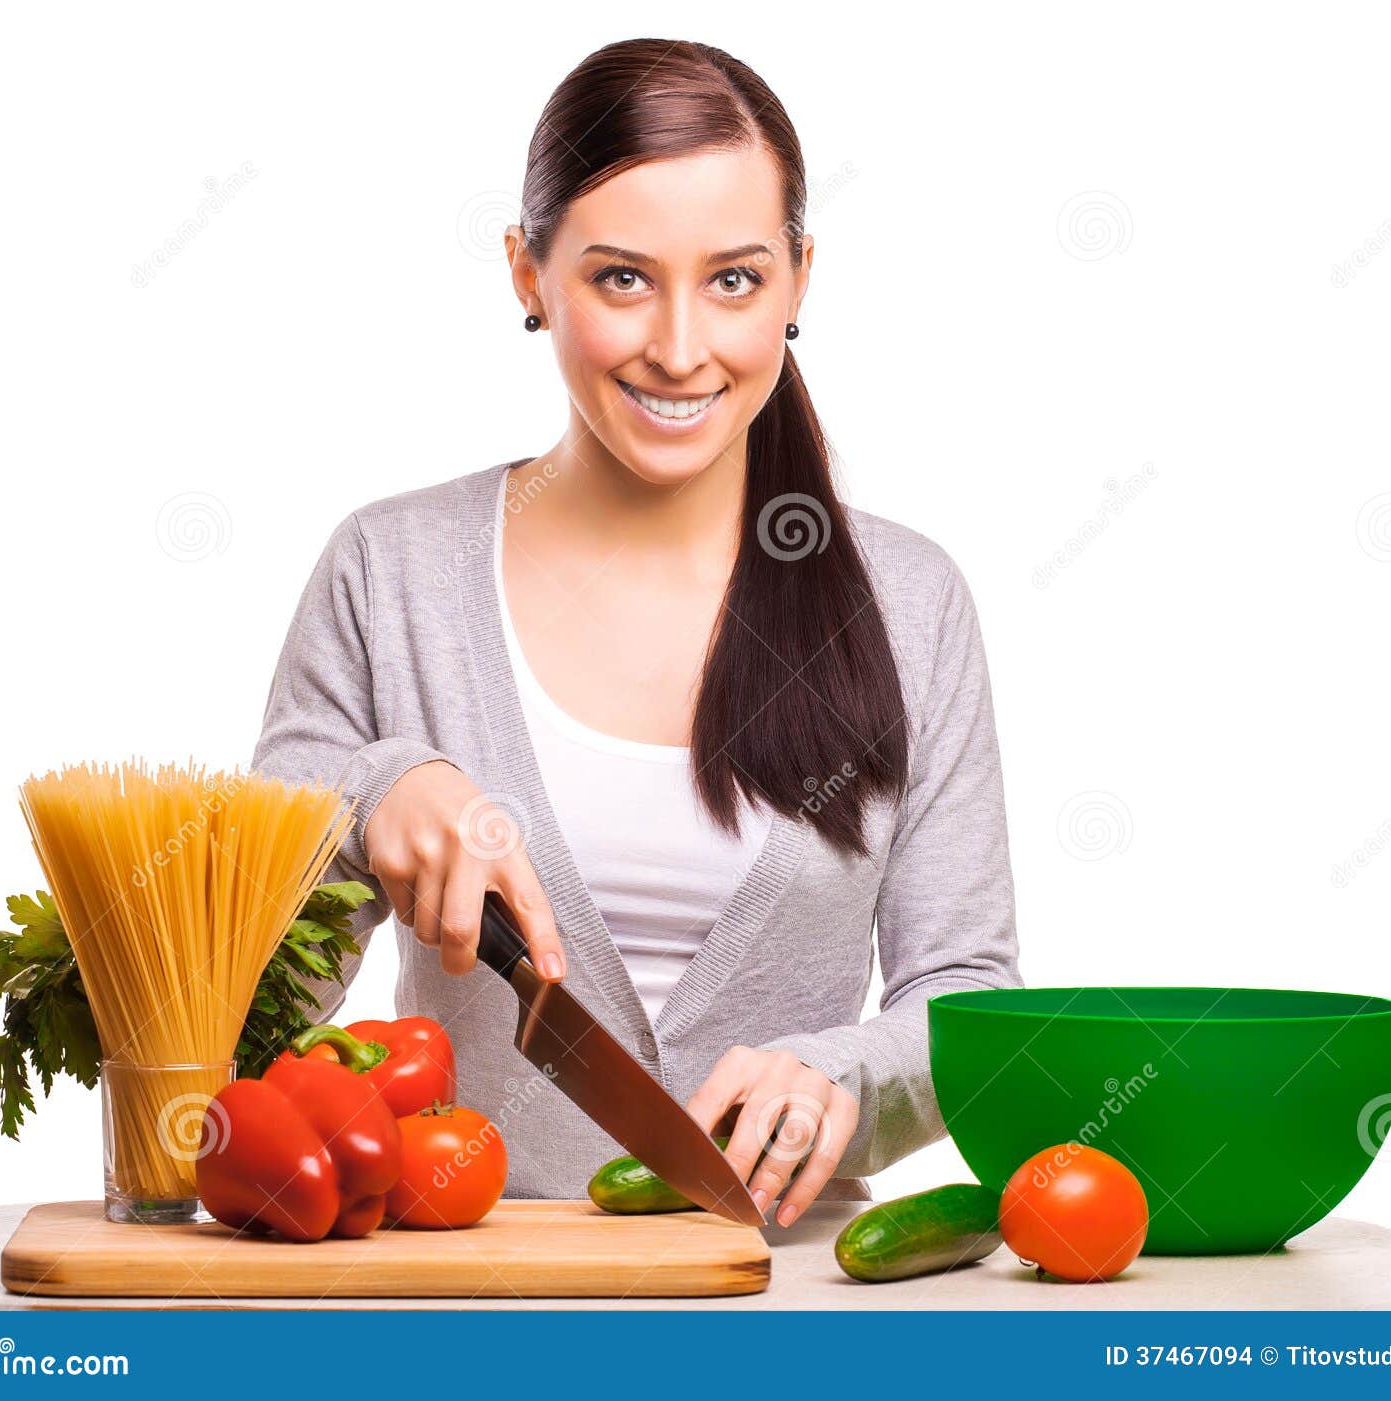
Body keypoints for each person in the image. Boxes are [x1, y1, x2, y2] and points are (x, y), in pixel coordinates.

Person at [252, 37, 1022, 1228]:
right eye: (620, 278)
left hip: (795, 1310)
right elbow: (244, 1015)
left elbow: (967, 998)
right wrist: (366, 795)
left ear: (800, 279)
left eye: (733, 279)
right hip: (462, 1300)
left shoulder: (911, 602)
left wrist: (838, 1075)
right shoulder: (387, 571)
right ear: (526, 273)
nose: (677, 346)